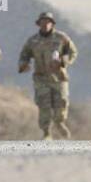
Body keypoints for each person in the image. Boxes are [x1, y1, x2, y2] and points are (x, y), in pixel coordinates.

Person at [19, 11, 77, 139]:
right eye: (42, 22)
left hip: (59, 78)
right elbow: (24, 55)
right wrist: (24, 65)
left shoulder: (61, 38)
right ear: (39, 24)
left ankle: (59, 123)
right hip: (41, 78)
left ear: (52, 24)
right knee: (44, 106)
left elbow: (72, 52)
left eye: (48, 22)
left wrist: (63, 61)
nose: (45, 25)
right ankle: (46, 133)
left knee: (60, 105)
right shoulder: (33, 41)